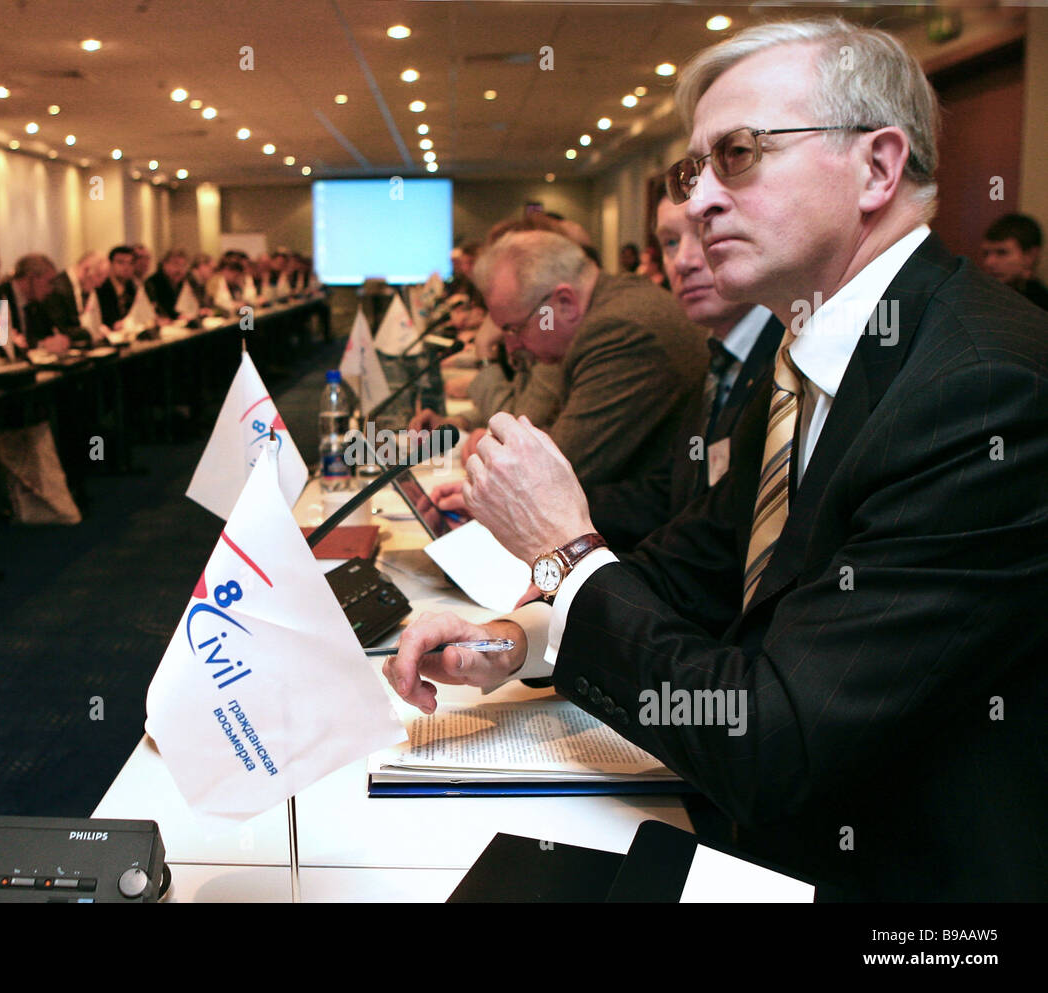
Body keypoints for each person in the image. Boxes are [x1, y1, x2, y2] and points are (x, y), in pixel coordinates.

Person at [386, 17, 1048, 900]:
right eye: (691, 172)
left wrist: (566, 549)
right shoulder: (806, 351)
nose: (697, 203)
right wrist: (523, 635)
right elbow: (701, 564)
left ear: (878, 168)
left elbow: (774, 741)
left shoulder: (982, 386)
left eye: (737, 156)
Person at [414, 228, 708, 489]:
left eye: (515, 330)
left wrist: (491, 451)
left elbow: (554, 473)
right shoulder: (608, 307)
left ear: (564, 303)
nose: (512, 348)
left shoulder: (617, 329)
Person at [586, 184, 784, 548]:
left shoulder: (787, 362)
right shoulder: (719, 358)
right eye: (670, 242)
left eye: (706, 232)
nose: (683, 261)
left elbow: (727, 541)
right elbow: (673, 495)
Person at [0, 254, 68, 357]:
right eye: (49, 282)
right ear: (31, 277)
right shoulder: (0, 297)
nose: (51, 289)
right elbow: (6, 345)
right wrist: (41, 345)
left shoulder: (38, 302)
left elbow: (48, 333)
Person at [978, 213, 1048, 310]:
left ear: (1030, 256)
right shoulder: (979, 297)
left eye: (1002, 253)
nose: (989, 262)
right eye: (986, 253)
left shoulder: (1041, 307)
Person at [97, 245, 138, 328]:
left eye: (130, 263)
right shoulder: (101, 286)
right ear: (110, 264)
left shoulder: (132, 286)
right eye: (120, 262)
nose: (126, 267)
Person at [146, 249, 189, 320]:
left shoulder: (183, 283)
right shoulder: (153, 283)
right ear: (164, 265)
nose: (179, 269)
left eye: (183, 265)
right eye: (176, 264)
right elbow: (157, 310)